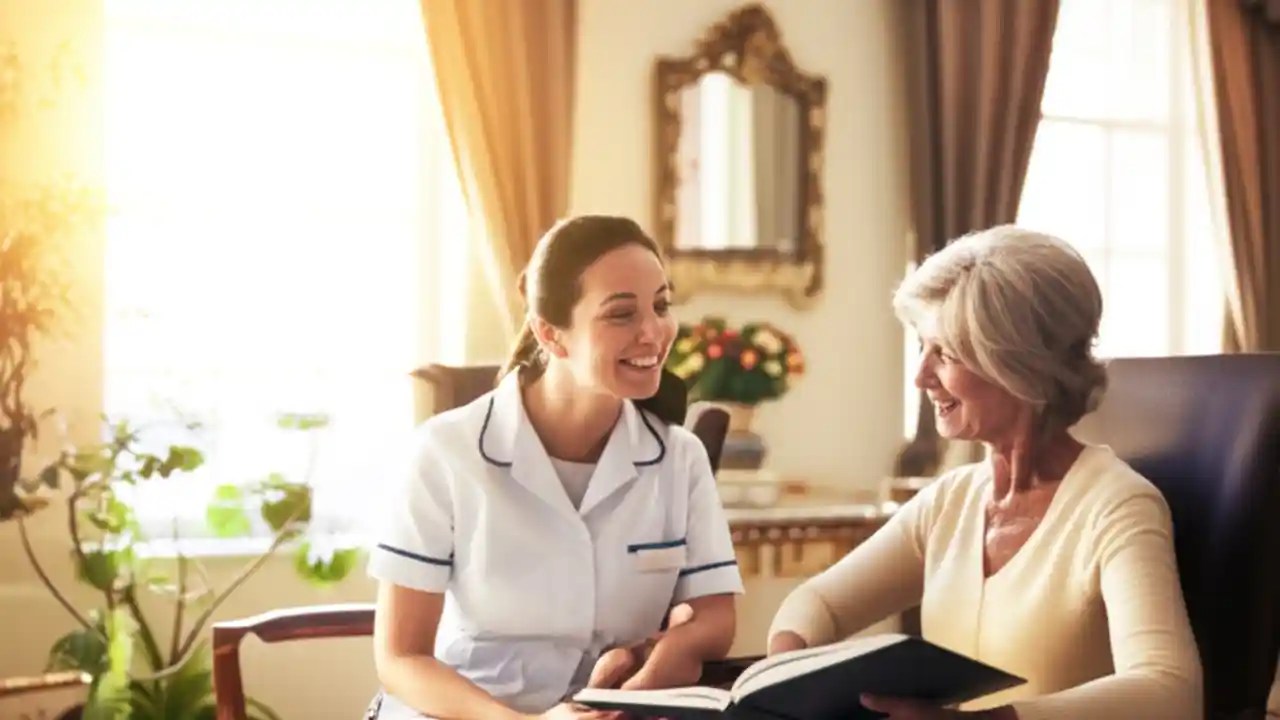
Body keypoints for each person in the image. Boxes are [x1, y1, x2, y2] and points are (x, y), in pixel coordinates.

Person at [766, 226, 1203, 720]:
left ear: (1017, 366)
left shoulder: (1117, 506)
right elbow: (819, 603)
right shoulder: (951, 501)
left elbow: (1169, 692)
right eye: (922, 347)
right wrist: (782, 680)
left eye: (945, 353)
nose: (921, 375)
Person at [367, 215, 744, 720]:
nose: (654, 332)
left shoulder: (679, 457)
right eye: (621, 314)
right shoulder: (445, 451)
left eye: (660, 305)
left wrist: (652, 666)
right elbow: (400, 657)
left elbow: (715, 617)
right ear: (550, 334)